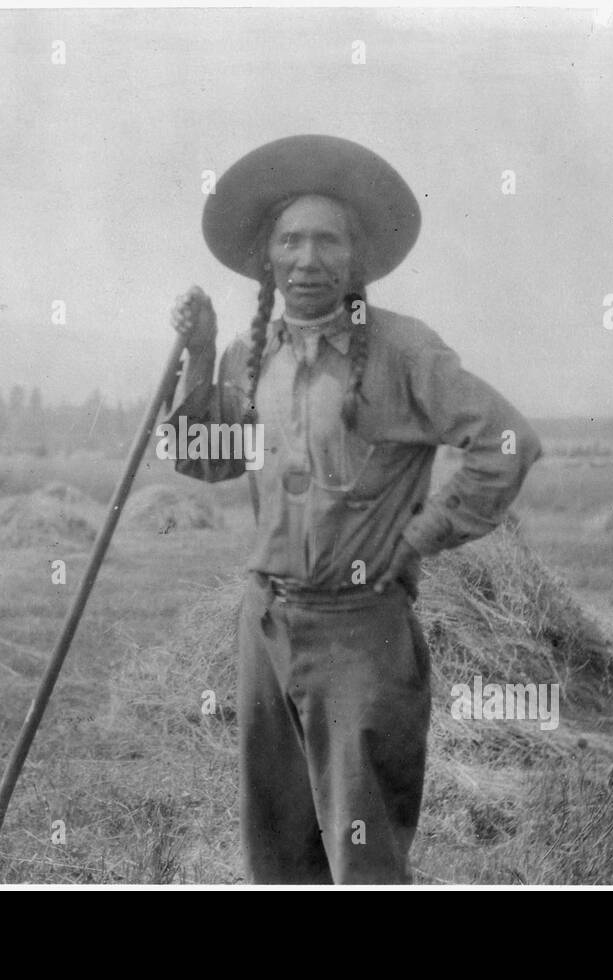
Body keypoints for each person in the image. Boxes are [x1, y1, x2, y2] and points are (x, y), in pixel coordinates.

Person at [166, 134, 542, 884]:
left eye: (327, 242)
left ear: (356, 257)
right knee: (276, 849)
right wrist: (202, 356)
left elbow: (508, 440)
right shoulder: (253, 355)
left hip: (361, 637)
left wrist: (421, 536)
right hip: (264, 626)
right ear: (266, 257)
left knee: (362, 852)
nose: (308, 259)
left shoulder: (404, 352)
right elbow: (202, 457)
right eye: (290, 241)